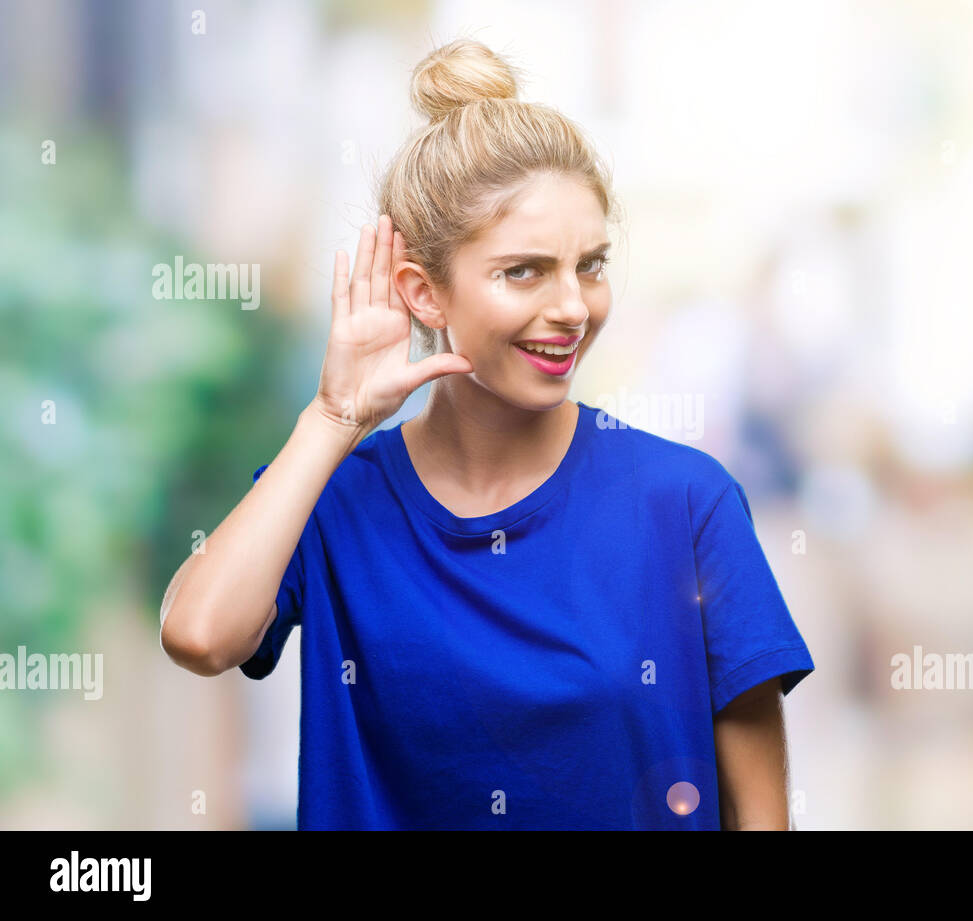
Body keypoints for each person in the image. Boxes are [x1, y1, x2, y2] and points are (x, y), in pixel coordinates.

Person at [159, 37, 814, 830]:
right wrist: (332, 420)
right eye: (525, 270)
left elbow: (762, 817)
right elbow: (199, 635)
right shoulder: (334, 500)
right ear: (423, 295)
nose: (574, 306)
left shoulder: (687, 503)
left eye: (592, 264)